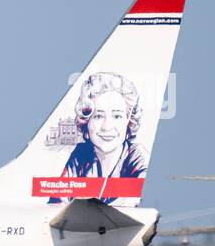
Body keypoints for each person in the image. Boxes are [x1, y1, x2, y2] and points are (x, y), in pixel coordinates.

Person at [52, 72, 148, 202]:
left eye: (117, 116)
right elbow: (58, 201)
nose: (107, 127)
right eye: (98, 116)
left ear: (128, 119)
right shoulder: (81, 155)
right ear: (86, 121)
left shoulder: (138, 157)